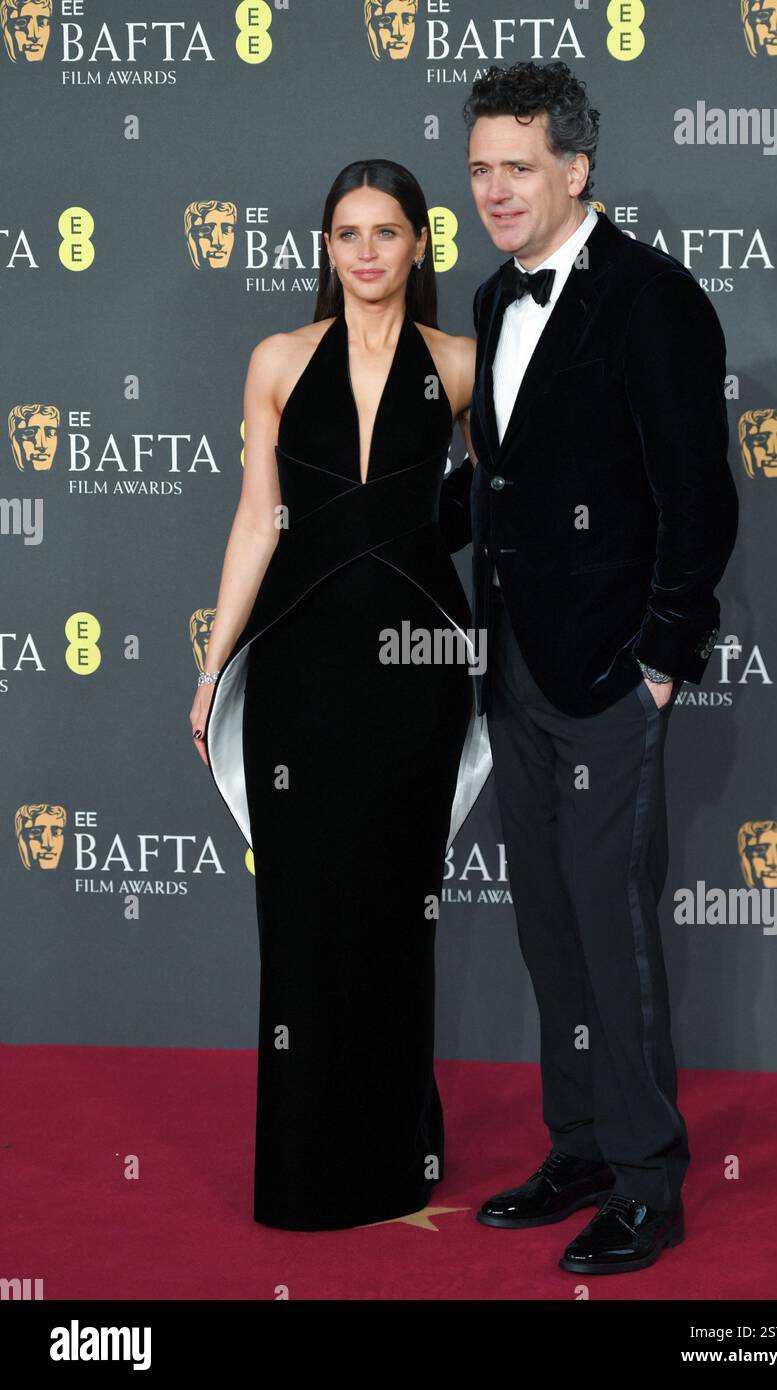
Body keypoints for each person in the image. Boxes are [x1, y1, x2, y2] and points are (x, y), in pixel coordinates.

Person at [444, 62, 739, 1274]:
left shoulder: (652, 298)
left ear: (576, 168)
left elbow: (696, 499)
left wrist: (659, 662)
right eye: (478, 168)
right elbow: (505, 484)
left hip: (611, 674)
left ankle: (645, 1176)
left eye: (517, 166)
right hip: (515, 664)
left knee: (611, 926)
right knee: (548, 924)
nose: (494, 191)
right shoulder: (490, 295)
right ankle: (574, 1143)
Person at [189, 159, 491, 1231]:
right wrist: (214, 660)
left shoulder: (461, 365)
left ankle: (398, 1152)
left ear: (419, 245)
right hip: (301, 670)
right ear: (326, 249)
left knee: (396, 914)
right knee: (306, 914)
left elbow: (494, 514)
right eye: (346, 234)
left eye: (385, 232)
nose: (365, 252)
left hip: (416, 670)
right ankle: (309, 1168)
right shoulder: (276, 359)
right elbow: (255, 520)